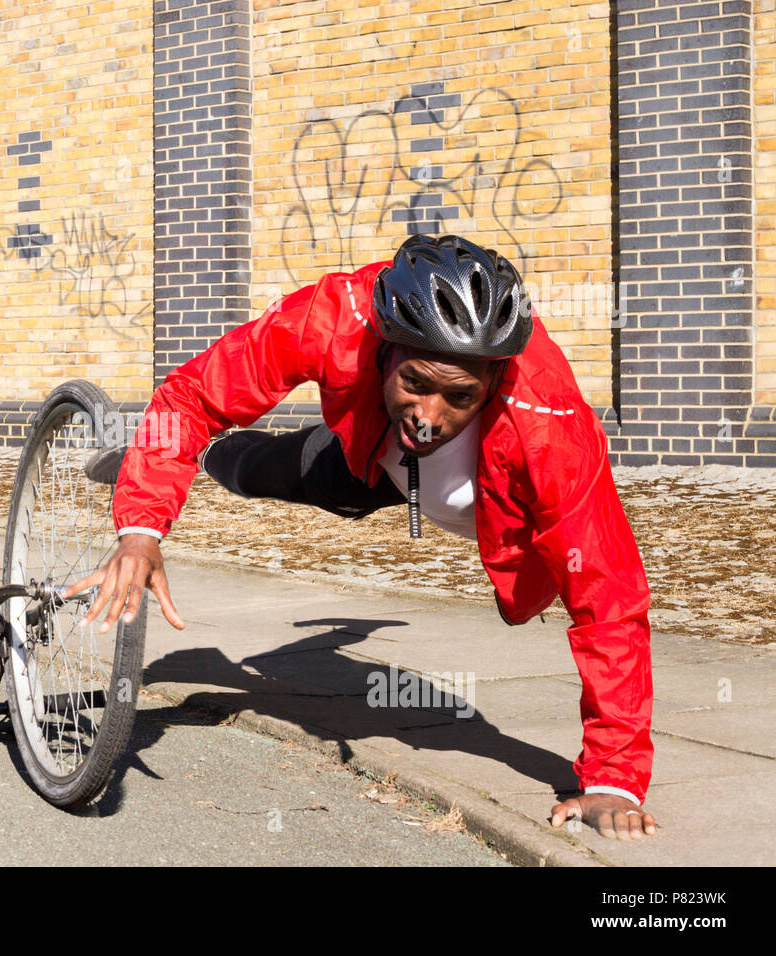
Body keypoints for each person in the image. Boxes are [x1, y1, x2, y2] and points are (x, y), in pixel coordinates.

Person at [62, 234, 656, 842]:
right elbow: (193, 394)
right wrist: (141, 527)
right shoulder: (337, 314)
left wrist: (614, 779)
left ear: (494, 378)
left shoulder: (551, 423)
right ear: (385, 349)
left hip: (495, 497)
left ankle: (173, 458)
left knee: (581, 569)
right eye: (417, 383)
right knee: (258, 470)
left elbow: (608, 595)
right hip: (369, 459)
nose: (430, 414)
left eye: (460, 396)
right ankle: (180, 458)